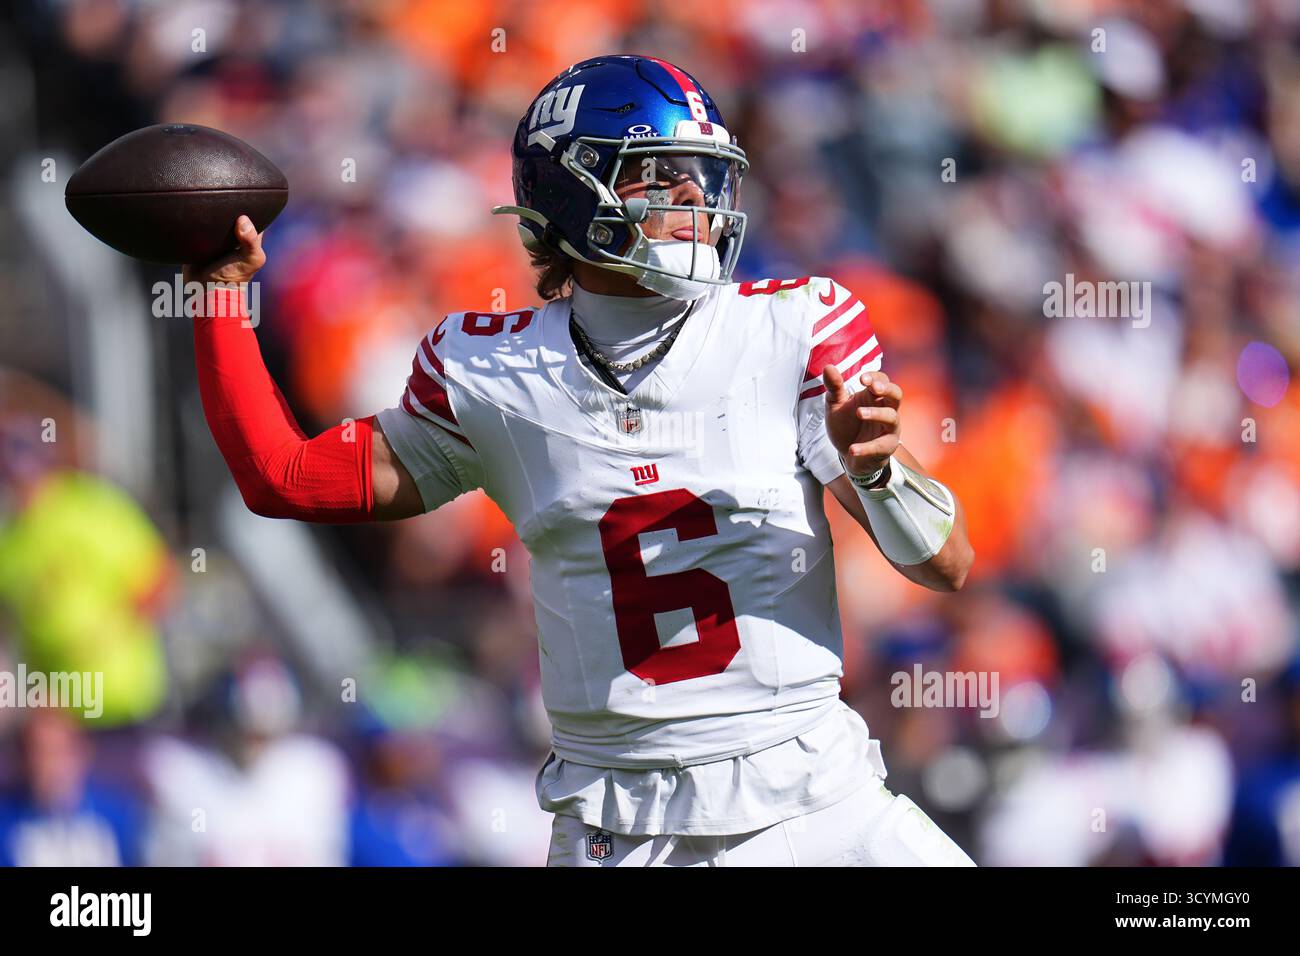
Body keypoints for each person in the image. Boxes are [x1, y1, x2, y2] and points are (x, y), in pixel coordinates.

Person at [183, 54, 976, 866]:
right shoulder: (492, 375)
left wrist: (876, 469)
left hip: (818, 804)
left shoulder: (788, 332)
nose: (696, 198)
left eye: (703, 175)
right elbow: (282, 477)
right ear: (575, 191)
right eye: (661, 176)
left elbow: (945, 566)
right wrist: (218, 296)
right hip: (626, 831)